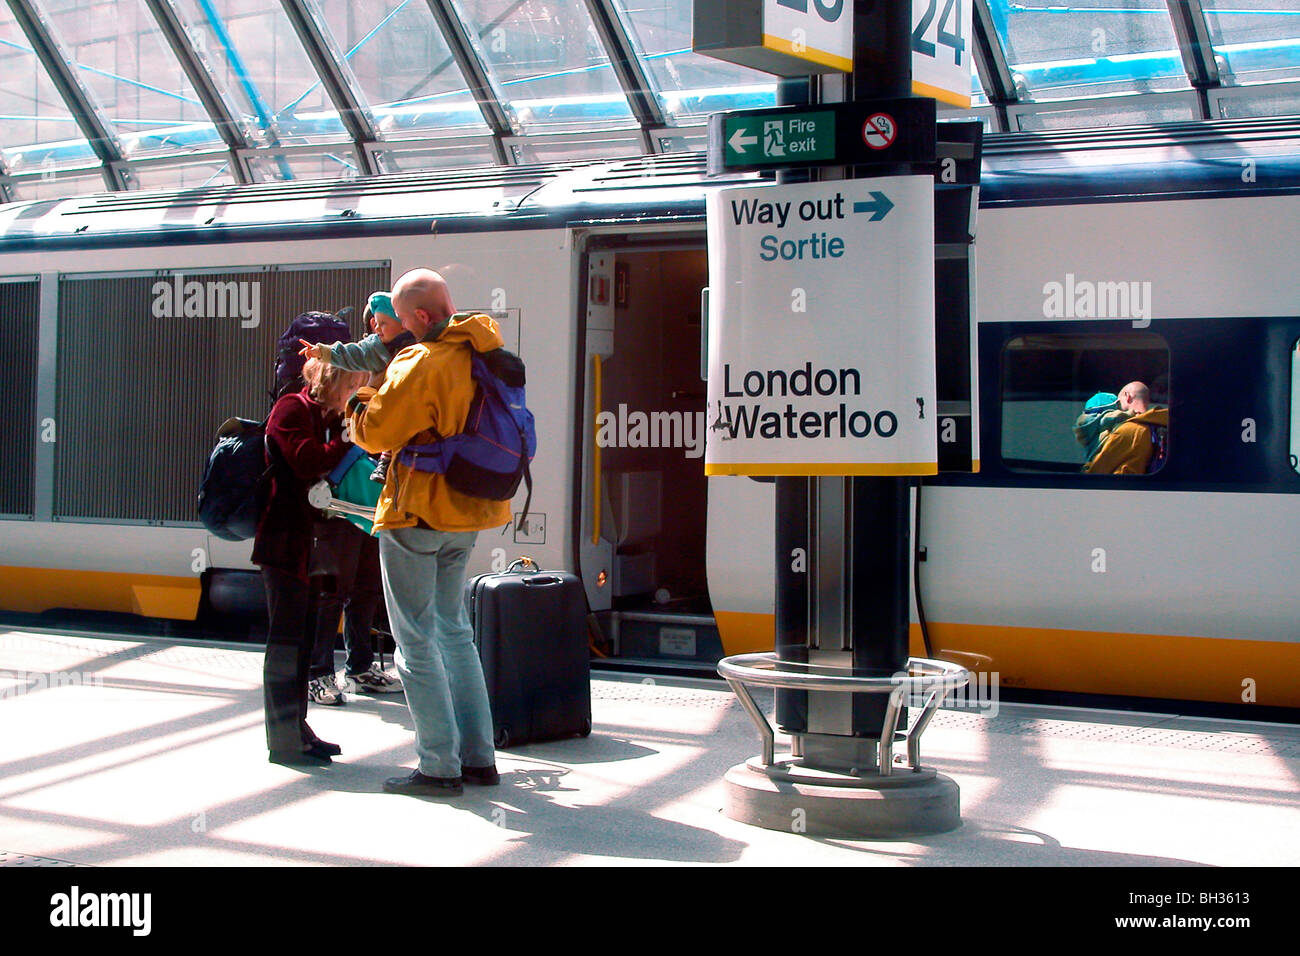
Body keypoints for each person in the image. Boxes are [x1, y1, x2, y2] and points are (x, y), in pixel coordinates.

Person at [346, 269, 507, 796]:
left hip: (417, 513)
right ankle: (480, 758)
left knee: (413, 640)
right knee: (455, 633)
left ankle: (439, 766)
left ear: (418, 316)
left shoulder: (420, 361)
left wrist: (359, 399)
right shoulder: (487, 353)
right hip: (471, 513)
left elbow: (376, 433)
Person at [255, 357, 367, 765]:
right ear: (335, 381)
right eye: (352, 386)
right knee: (285, 643)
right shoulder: (292, 409)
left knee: (302, 640)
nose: (354, 395)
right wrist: (346, 438)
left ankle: (299, 728)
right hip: (284, 544)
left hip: (309, 545)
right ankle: (283, 739)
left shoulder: (319, 414)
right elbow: (306, 460)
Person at [298, 292, 415, 485]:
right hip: (389, 406)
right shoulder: (375, 348)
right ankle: (385, 463)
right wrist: (323, 352)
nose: (376, 328)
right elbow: (352, 354)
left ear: (403, 323)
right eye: (375, 323)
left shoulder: (421, 344)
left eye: (383, 323)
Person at [1084, 380, 1169, 475]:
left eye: (1118, 403)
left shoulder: (1129, 430)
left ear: (1127, 396)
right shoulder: (1163, 423)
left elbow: (1097, 471)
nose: (1117, 408)